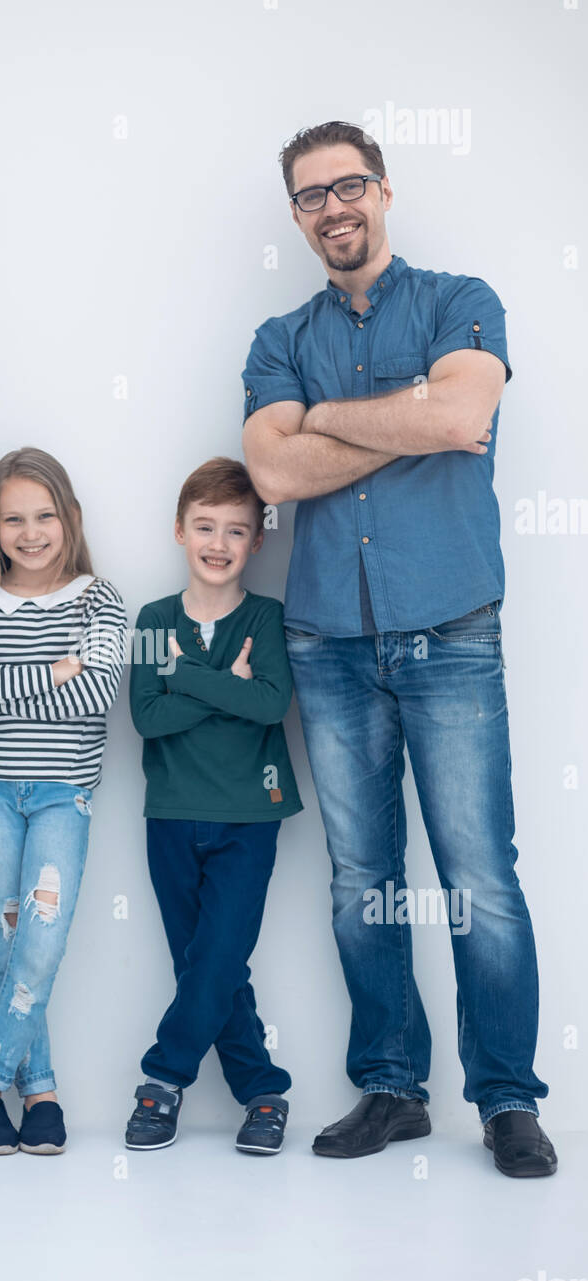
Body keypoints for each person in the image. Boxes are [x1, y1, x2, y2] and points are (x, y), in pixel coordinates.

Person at [241, 121, 556, 1177]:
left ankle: (508, 1098)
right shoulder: (278, 338)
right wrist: (399, 412)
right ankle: (391, 1087)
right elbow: (273, 477)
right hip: (328, 638)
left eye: (350, 185)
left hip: (452, 629)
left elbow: (463, 413)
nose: (334, 207)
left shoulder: (463, 298)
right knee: (360, 876)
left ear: (384, 189)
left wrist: (325, 421)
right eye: (311, 195)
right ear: (296, 215)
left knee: (479, 872)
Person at [0, 448, 126, 1155]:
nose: (30, 532)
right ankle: (39, 1091)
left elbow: (97, 692)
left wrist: (2, 678)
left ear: (69, 519)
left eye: (44, 516)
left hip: (61, 796)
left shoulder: (99, 600)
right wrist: (52, 667)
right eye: (12, 519)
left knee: (39, 942)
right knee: (7, 942)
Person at [125, 458, 302, 1155]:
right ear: (179, 531)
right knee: (205, 964)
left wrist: (186, 678)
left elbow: (271, 703)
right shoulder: (150, 619)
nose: (219, 543)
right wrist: (224, 687)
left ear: (257, 541)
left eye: (236, 530)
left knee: (218, 956)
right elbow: (145, 717)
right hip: (169, 814)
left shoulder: (267, 617)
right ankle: (262, 1092)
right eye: (204, 527)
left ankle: (161, 1079)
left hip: (248, 817)